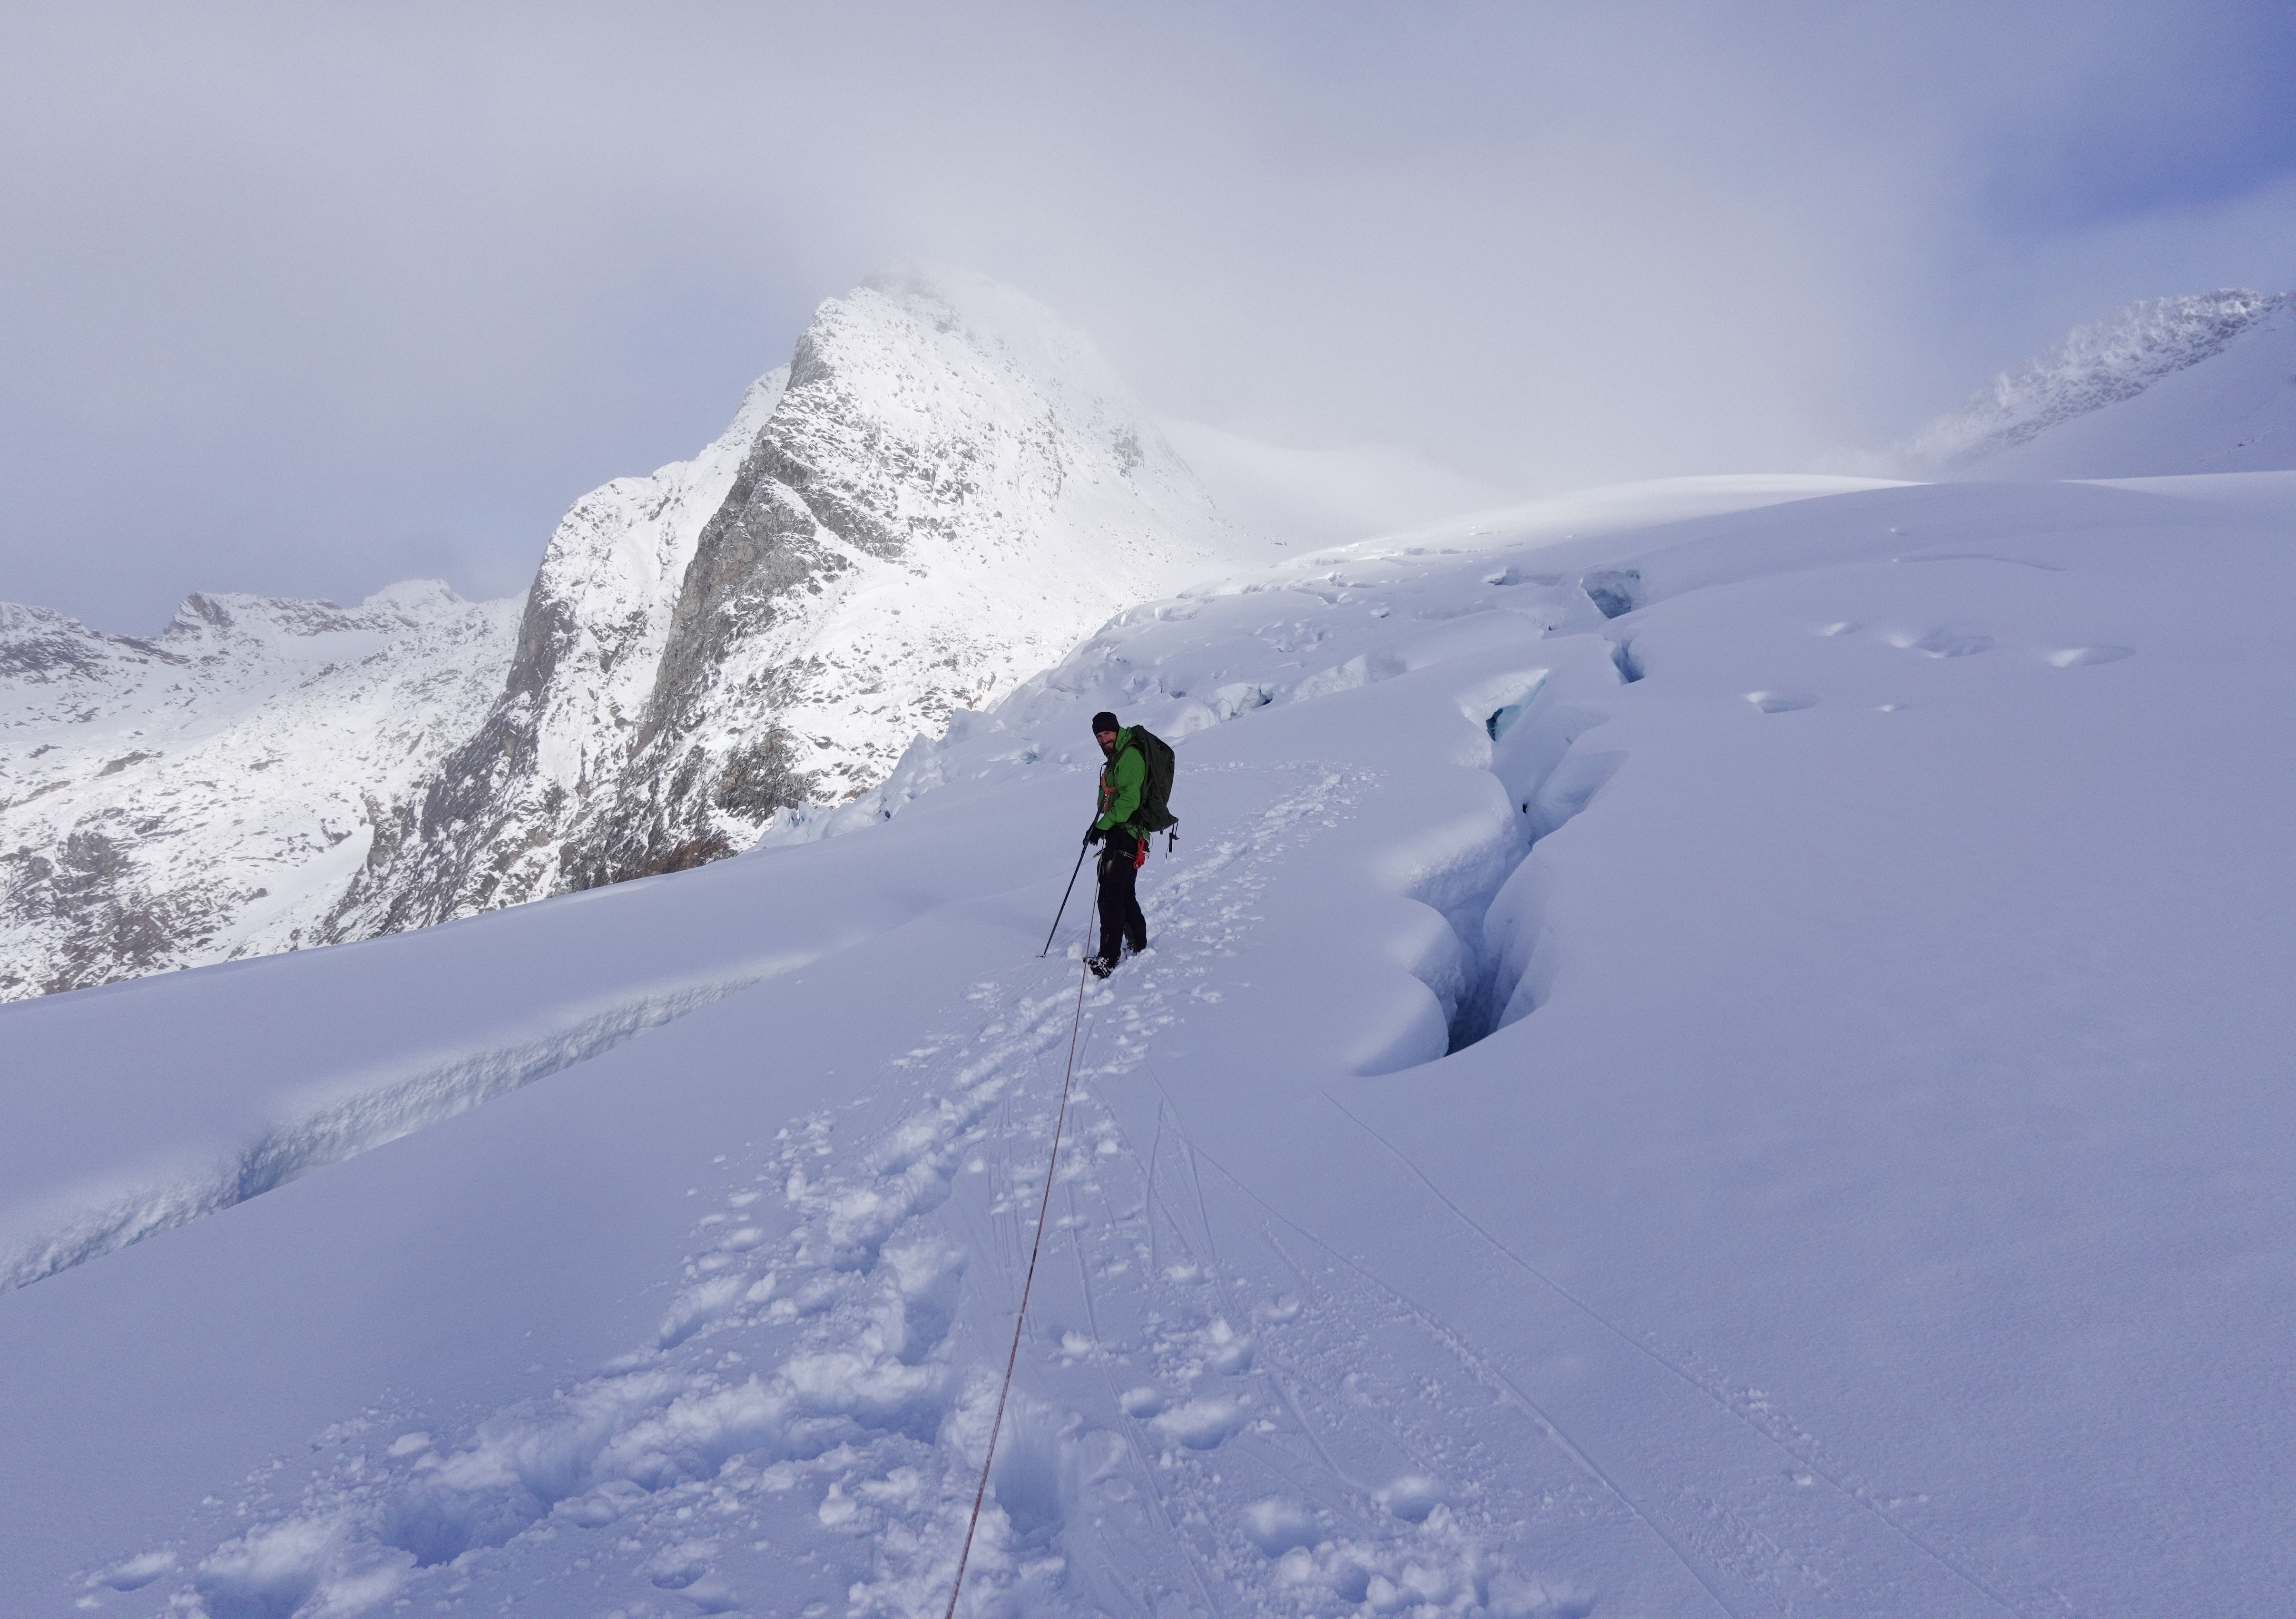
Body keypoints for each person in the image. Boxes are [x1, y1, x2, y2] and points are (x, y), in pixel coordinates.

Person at [1082, 710, 1149, 977]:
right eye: (1099, 736)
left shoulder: (1130, 756)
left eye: (1107, 733)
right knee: (1122, 893)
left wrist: (1101, 826)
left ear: (1116, 730)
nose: (1103, 739)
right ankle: (1139, 944)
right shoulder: (1115, 758)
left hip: (1127, 833)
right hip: (1121, 832)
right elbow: (1109, 799)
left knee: (1110, 896)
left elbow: (1129, 802)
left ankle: (1108, 959)